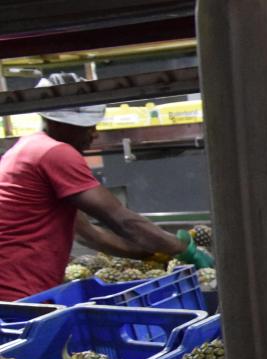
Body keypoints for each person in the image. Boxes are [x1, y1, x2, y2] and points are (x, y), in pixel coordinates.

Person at [0, 73, 212, 302]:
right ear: (62, 123)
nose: (94, 133)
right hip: (17, 291)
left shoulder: (27, 148)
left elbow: (90, 235)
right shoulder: (56, 153)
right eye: (89, 126)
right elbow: (123, 221)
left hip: (15, 292)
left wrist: (153, 253)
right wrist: (183, 248)